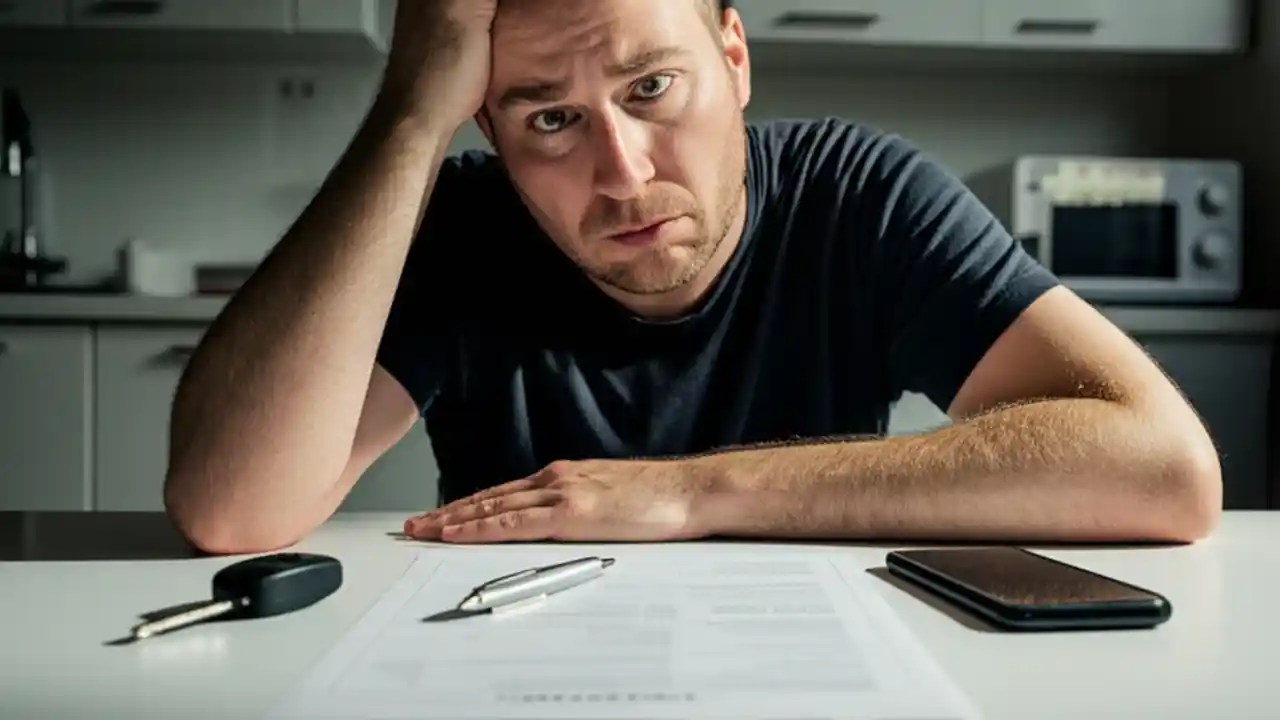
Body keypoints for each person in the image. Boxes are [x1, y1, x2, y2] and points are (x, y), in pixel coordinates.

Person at [162, 0, 1222, 555]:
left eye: (652, 86)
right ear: (485, 124)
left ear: (733, 58)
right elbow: (230, 509)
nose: (621, 176)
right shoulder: (466, 228)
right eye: (548, 119)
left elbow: (1161, 469)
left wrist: (688, 491)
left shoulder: (861, 198)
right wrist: (407, 116)